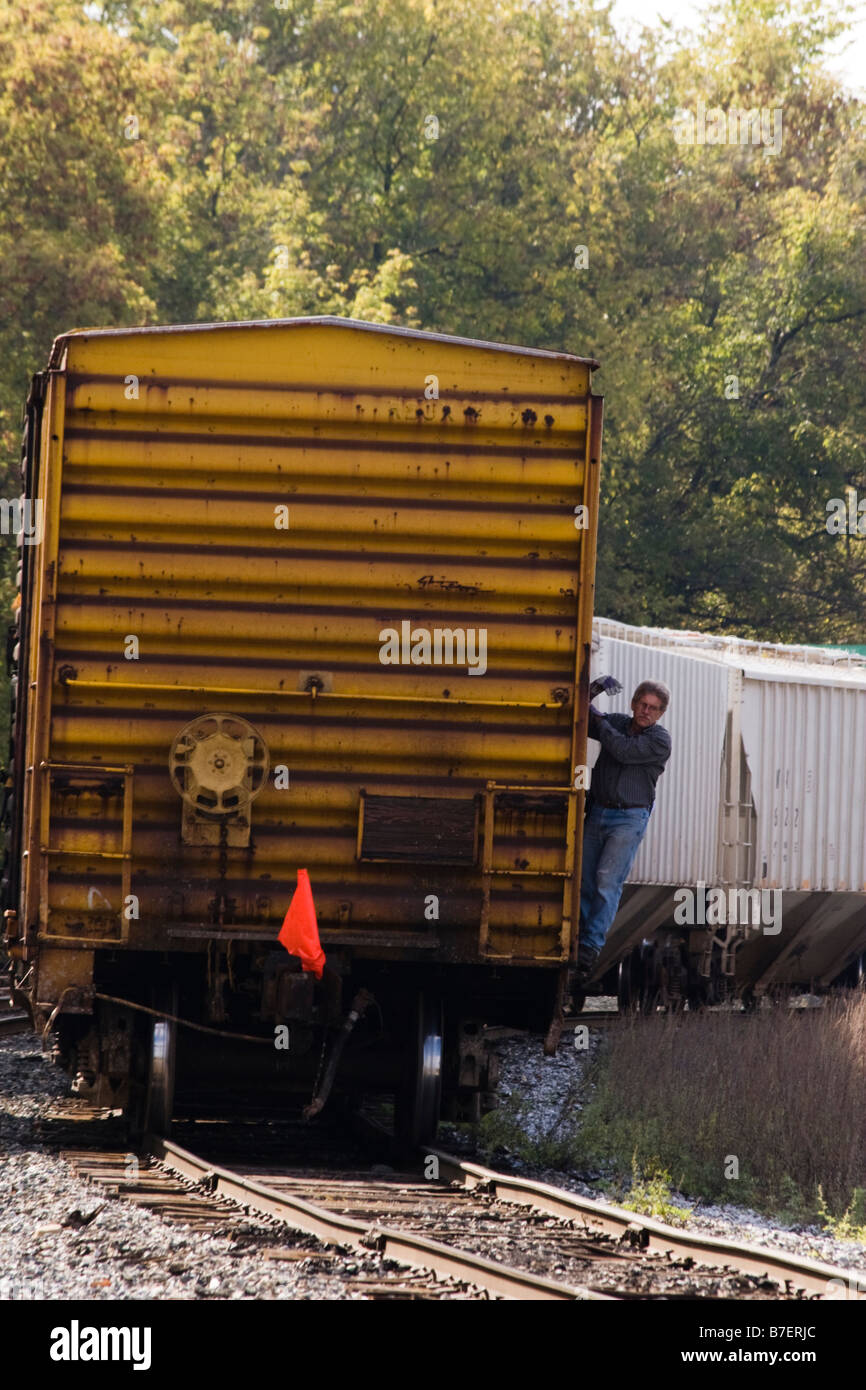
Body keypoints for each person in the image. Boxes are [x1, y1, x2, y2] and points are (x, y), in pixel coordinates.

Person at [573, 678, 672, 992]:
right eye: (642, 704)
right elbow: (583, 719)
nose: (645, 712)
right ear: (633, 703)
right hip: (599, 810)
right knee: (586, 879)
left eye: (653, 708)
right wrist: (589, 693)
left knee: (606, 880)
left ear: (660, 713)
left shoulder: (659, 740)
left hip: (629, 818)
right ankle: (575, 942)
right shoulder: (616, 723)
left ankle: (589, 949)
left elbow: (623, 750)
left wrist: (600, 720)